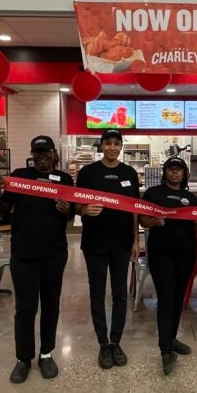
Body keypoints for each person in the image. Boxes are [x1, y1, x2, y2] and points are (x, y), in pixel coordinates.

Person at [0, 135, 74, 384]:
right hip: (24, 255)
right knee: (25, 310)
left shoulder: (65, 180)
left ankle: (46, 354)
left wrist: (66, 210)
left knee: (51, 306)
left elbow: (70, 217)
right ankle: (23, 359)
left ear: (54, 154)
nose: (41, 157)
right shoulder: (19, 177)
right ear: (32, 155)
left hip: (54, 254)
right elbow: (4, 213)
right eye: (37, 153)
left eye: (46, 152)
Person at [76, 128, 141, 369]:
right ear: (101, 145)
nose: (112, 147)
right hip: (94, 243)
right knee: (97, 292)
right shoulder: (87, 173)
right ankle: (103, 344)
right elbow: (75, 204)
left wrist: (136, 240)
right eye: (108, 143)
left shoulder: (129, 173)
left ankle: (116, 341)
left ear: (121, 146)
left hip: (122, 243)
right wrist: (82, 210)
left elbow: (135, 208)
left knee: (120, 293)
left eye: (116, 143)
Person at [140, 157, 197, 375]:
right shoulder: (153, 194)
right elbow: (142, 220)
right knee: (165, 299)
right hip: (161, 254)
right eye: (171, 170)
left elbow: (196, 224)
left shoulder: (190, 198)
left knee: (178, 298)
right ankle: (165, 349)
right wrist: (152, 222)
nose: (174, 174)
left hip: (186, 254)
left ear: (184, 174)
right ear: (165, 173)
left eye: (178, 170)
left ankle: (171, 338)